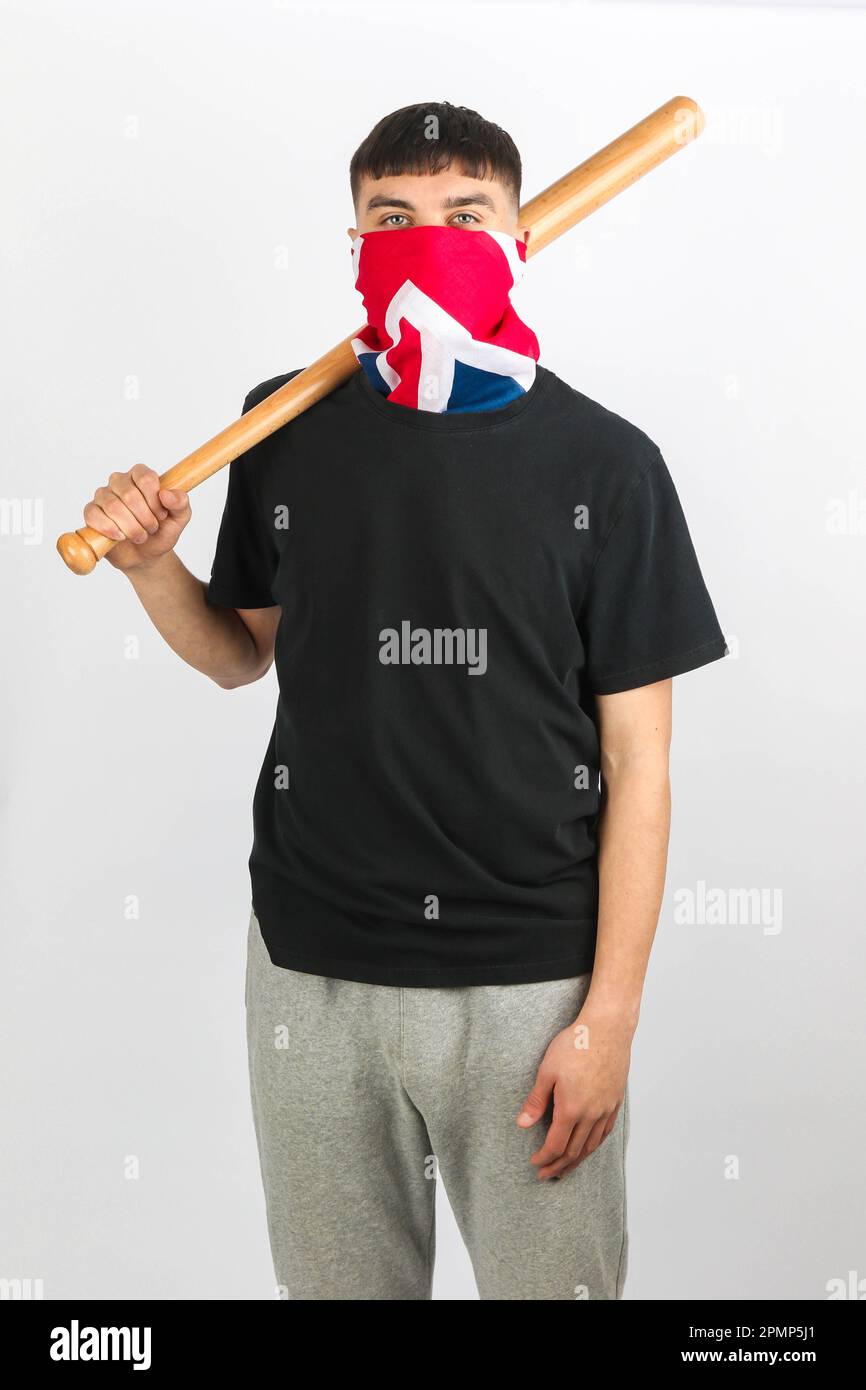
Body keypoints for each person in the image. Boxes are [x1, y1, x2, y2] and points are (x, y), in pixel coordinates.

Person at [83, 102, 727, 1301]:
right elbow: (237, 658)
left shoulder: (607, 466)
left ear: (518, 235)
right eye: (393, 216)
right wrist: (151, 565)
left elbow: (640, 766)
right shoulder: (280, 429)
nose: (425, 237)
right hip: (311, 971)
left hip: (529, 983)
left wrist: (609, 1021)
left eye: (463, 213)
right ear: (354, 240)